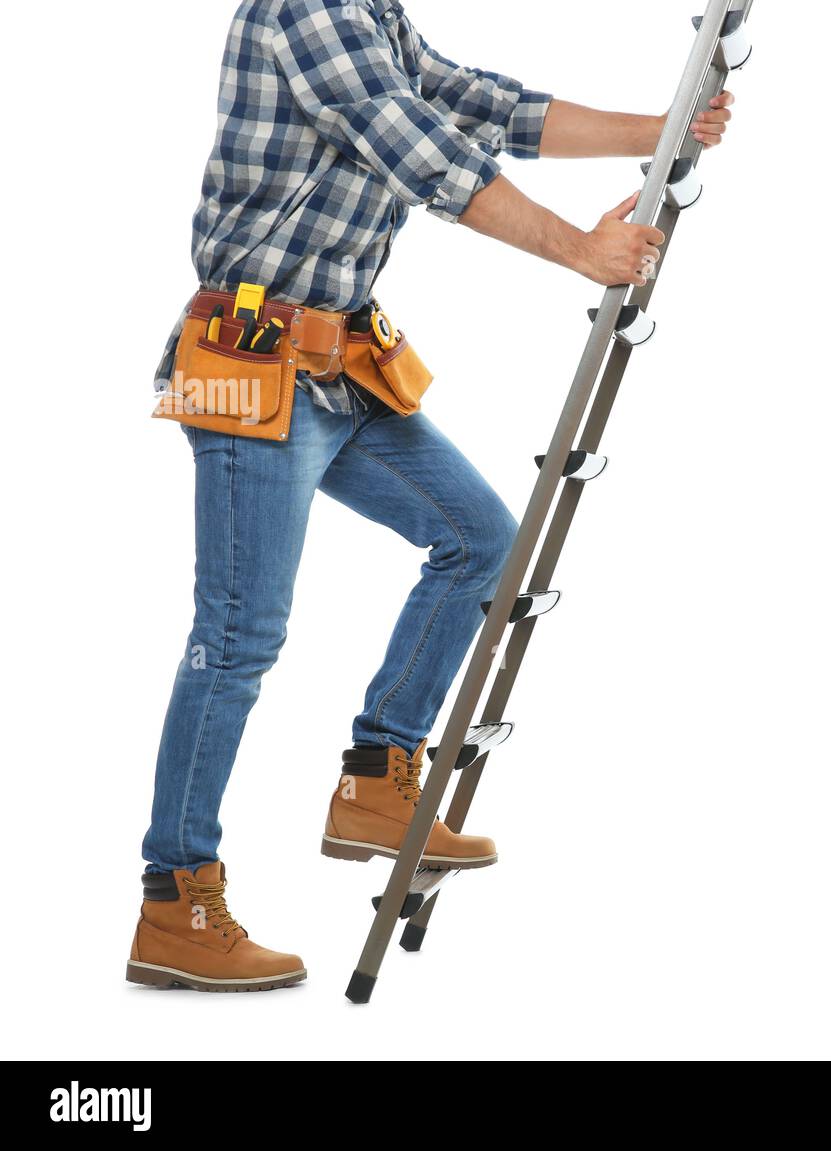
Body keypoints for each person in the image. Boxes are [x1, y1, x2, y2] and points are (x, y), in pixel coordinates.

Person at [127, 0, 735, 993]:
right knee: (238, 638)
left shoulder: (369, 12)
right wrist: (579, 253)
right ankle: (174, 897)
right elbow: (422, 154)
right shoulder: (302, 9)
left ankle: (375, 779)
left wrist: (659, 127)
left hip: (342, 364)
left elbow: (476, 106)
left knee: (482, 540)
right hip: (252, 367)